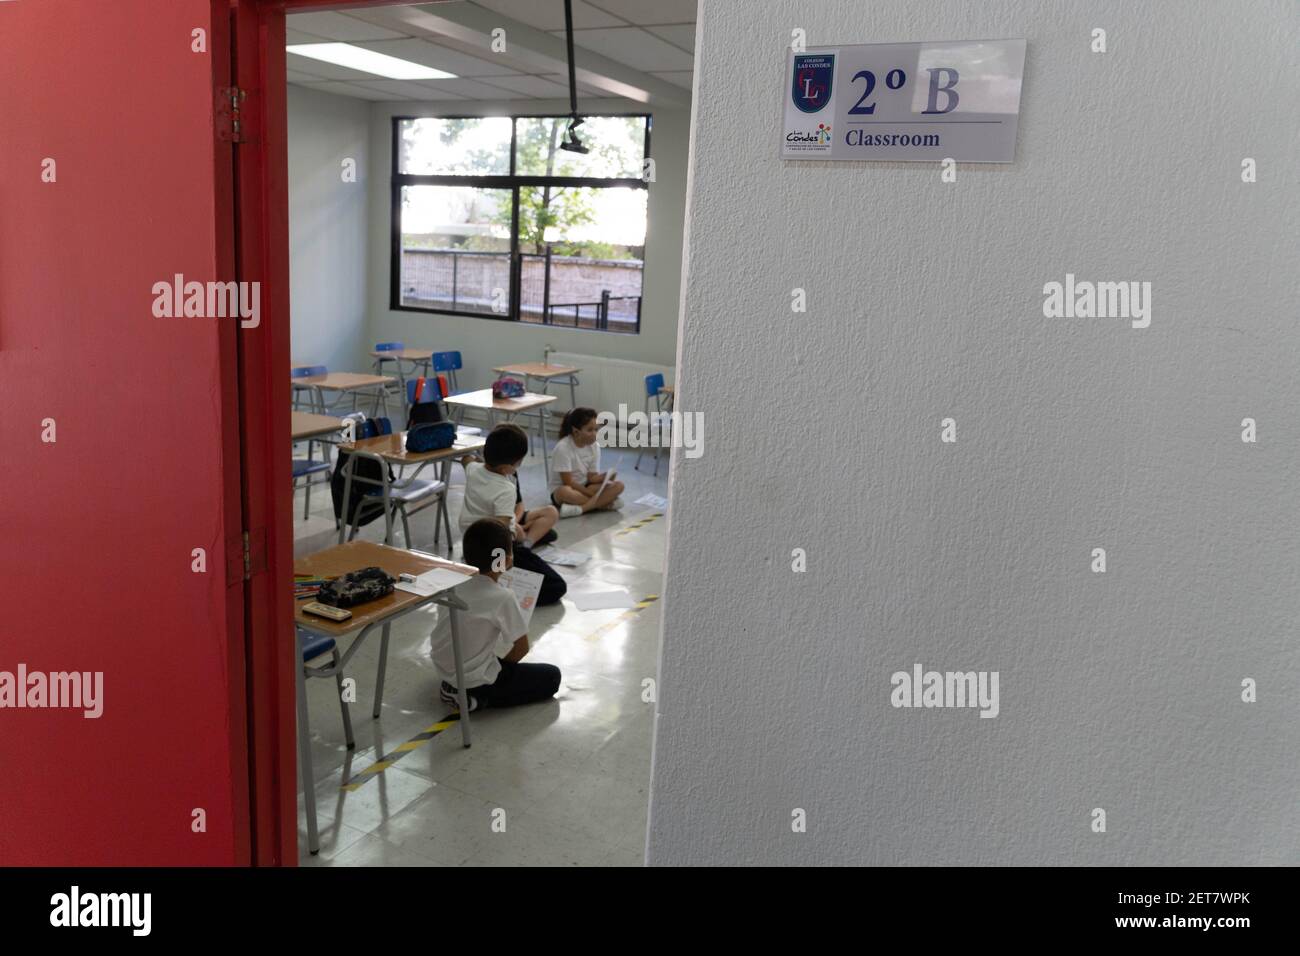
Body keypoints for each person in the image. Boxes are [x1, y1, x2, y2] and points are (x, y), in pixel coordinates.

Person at [430, 519, 561, 712]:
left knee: (484, 657)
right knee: (552, 677)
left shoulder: (453, 583)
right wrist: (503, 671)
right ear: (506, 560)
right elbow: (521, 648)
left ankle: (456, 685)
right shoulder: (502, 597)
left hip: (445, 665)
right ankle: (475, 696)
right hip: (472, 679)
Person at [459, 423, 566, 605]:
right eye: (518, 463)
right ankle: (507, 588)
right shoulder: (506, 489)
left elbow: (466, 459)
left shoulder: (473, 470)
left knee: (549, 534)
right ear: (505, 468)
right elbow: (499, 534)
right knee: (557, 586)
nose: (519, 467)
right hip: (493, 550)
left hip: (470, 542)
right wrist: (501, 571)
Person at [550, 407, 624, 516]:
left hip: (585, 486)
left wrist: (606, 476)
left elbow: (592, 477)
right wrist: (591, 495)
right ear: (576, 432)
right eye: (590, 430)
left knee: (619, 486)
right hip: (565, 489)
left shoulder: (595, 446)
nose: (594, 434)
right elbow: (568, 482)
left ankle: (583, 508)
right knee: (564, 492)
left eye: (596, 429)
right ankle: (604, 504)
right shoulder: (563, 448)